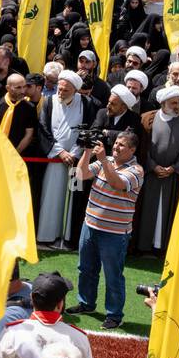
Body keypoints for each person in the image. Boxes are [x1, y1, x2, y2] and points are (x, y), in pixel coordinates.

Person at [67, 130, 142, 327]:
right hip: (90, 225)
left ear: (132, 150)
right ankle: (86, 303)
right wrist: (87, 151)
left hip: (115, 233)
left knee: (113, 275)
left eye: (121, 145)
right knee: (86, 269)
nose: (116, 147)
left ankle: (114, 315)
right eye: (116, 143)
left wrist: (103, 160)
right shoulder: (104, 160)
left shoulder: (136, 170)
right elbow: (80, 174)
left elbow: (116, 183)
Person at [36, 70, 95, 244]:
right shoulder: (49, 102)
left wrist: (75, 153)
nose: (60, 93)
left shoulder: (86, 103)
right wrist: (60, 152)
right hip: (55, 159)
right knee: (51, 196)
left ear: (75, 90)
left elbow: (88, 130)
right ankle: (47, 235)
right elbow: (43, 129)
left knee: (73, 196)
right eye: (59, 89)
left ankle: (68, 238)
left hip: (76, 162)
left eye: (65, 90)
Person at [135, 86, 179, 254]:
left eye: (178, 103)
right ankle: (144, 246)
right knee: (147, 210)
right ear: (163, 103)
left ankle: (162, 248)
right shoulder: (147, 118)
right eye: (173, 103)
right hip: (151, 174)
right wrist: (152, 166)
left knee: (167, 212)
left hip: (172, 176)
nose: (176, 106)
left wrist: (174, 168)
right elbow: (142, 147)